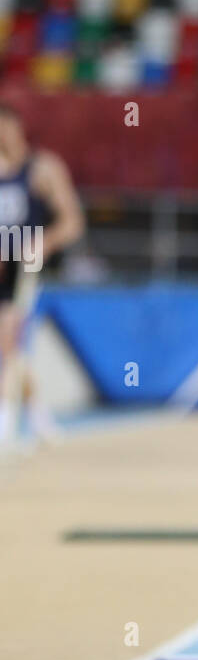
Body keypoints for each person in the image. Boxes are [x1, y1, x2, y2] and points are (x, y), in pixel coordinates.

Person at [0, 103, 85, 443]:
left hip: (29, 266)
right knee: (12, 346)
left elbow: (73, 222)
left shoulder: (42, 169)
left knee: (8, 335)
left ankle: (6, 418)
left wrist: (44, 243)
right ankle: (38, 416)